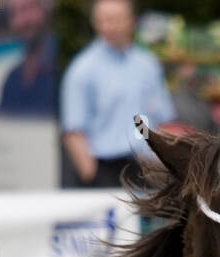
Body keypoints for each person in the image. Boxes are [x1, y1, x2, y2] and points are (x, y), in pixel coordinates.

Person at [60, 0, 174, 189]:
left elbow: (161, 121)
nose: (110, 26)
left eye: (117, 19)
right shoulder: (83, 68)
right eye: (104, 20)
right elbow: (74, 130)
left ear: (132, 21)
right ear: (95, 23)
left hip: (146, 167)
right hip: (104, 168)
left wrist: (165, 162)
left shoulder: (147, 65)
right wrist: (91, 174)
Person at [0, 0, 57, 119]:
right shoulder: (12, 79)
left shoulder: (63, 65)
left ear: (45, 12)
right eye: (14, 14)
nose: (22, 20)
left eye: (28, 9)